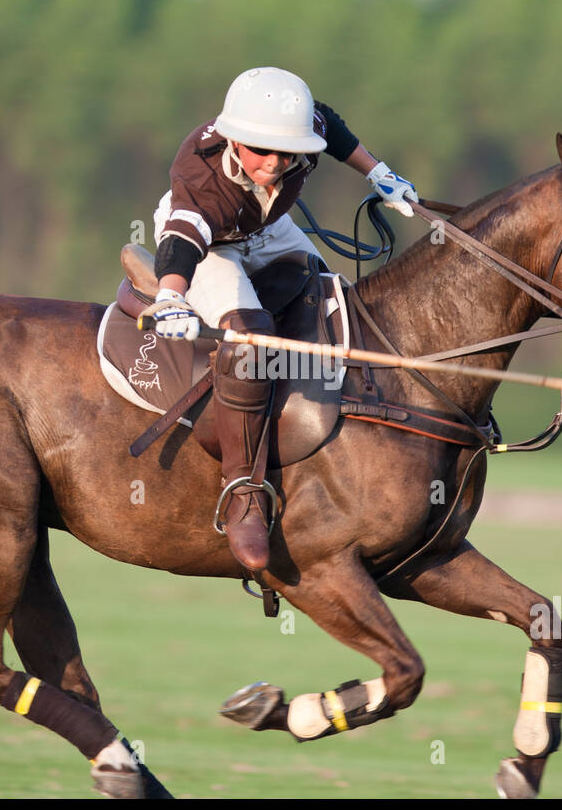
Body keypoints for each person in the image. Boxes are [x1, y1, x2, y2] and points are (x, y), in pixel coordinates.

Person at [139, 66, 419, 571]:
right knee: (250, 341)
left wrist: (378, 173)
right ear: (235, 140)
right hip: (211, 245)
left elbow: (329, 126)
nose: (276, 162)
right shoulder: (202, 175)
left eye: (287, 152)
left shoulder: (296, 137)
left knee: (335, 302)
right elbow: (184, 238)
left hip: (267, 228)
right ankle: (244, 491)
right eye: (262, 150)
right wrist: (171, 297)